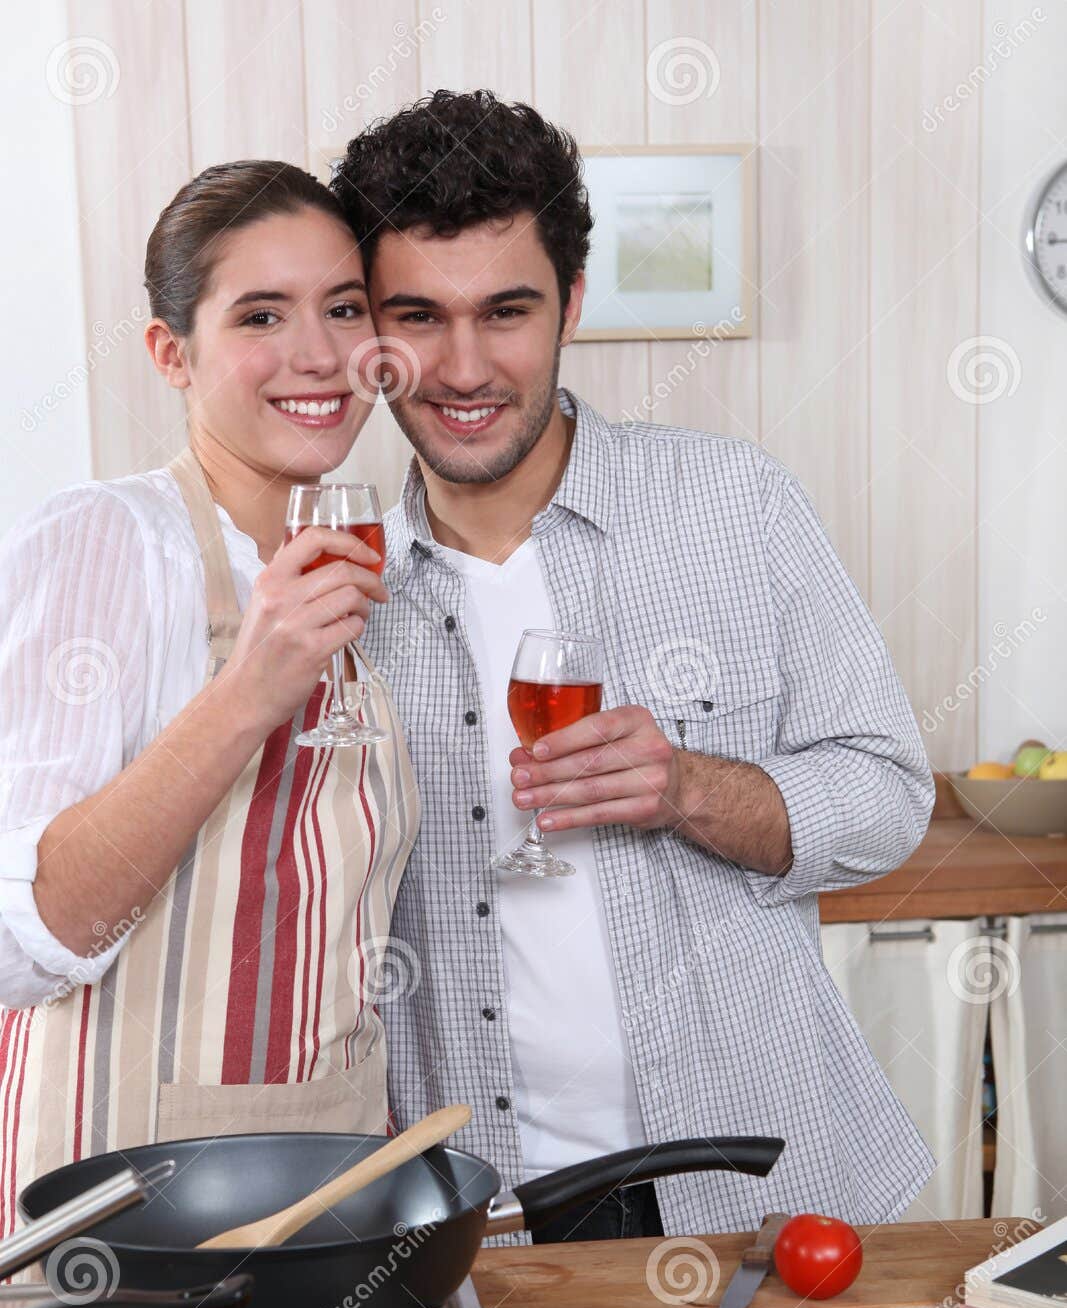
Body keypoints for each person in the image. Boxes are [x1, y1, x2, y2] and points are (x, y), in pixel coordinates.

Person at [334, 90, 937, 1244]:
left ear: (570, 301)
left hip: (758, 1194)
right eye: (418, 317)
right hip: (478, 1217)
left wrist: (689, 788)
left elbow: (888, 800)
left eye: (505, 311)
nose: (463, 368)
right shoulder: (334, 595)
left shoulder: (733, 502)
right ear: (369, 335)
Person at [0, 161, 418, 1219]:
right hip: (122, 1192)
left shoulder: (370, 562)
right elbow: (30, 931)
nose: (317, 354)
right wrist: (246, 691)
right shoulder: (106, 543)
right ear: (171, 353)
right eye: (261, 315)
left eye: (342, 307)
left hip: (327, 1173)